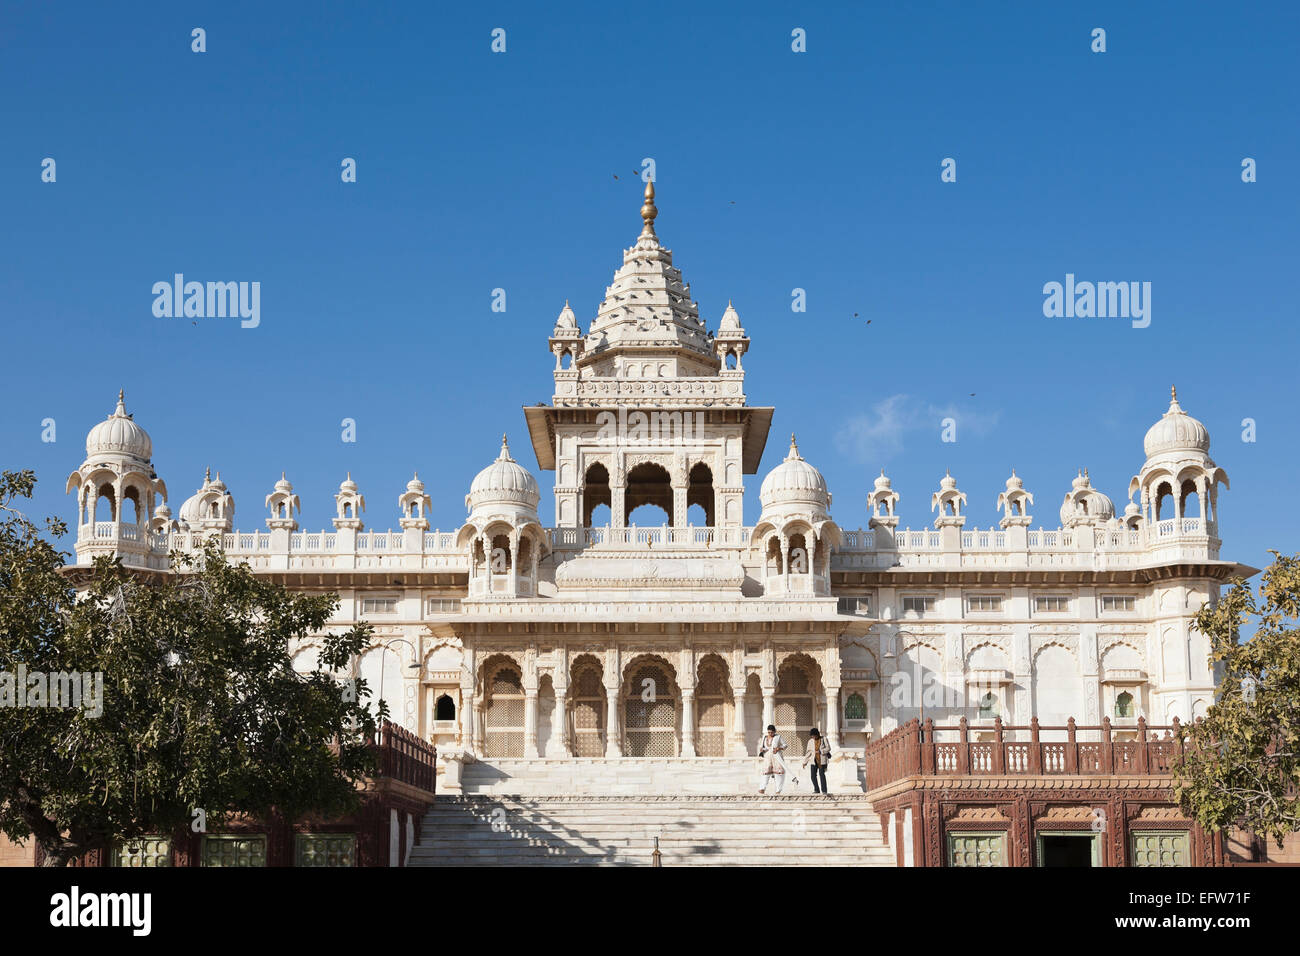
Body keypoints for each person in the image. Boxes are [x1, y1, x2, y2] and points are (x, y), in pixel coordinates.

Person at [757, 724, 787, 794]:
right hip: (768, 757)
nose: (770, 734)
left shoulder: (778, 737)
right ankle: (762, 788)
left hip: (776, 757)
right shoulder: (765, 737)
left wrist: (778, 748)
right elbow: (763, 747)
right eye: (769, 732)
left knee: (778, 774)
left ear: (774, 731)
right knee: (766, 773)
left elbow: (785, 745)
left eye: (772, 732)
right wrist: (762, 749)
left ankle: (778, 790)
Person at [802, 727, 831, 795]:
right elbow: (808, 752)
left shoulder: (824, 739)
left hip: (822, 760)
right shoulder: (810, 741)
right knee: (812, 776)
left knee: (822, 775)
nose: (813, 737)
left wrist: (821, 751)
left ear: (817, 734)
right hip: (813, 760)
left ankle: (824, 791)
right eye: (812, 736)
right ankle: (816, 789)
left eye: (814, 735)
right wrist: (805, 762)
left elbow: (828, 748)